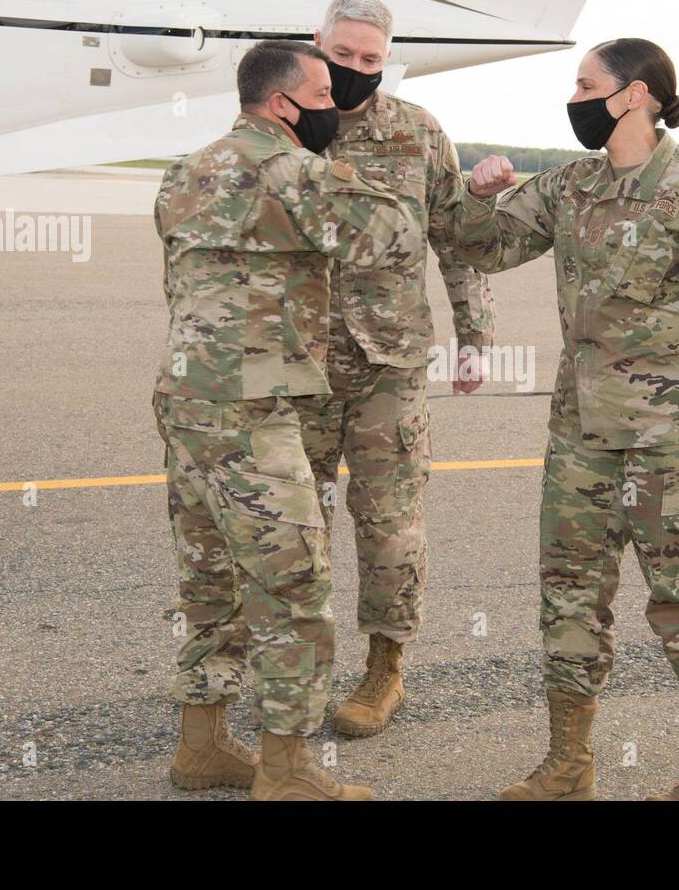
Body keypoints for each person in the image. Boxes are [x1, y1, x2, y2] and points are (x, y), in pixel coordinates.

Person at [452, 38, 679, 800]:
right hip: (581, 434)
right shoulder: (570, 186)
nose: (575, 97)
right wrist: (478, 192)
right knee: (567, 592)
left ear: (634, 95)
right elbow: (482, 247)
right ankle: (569, 762)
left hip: (673, 441)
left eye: (585, 83)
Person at [154, 39, 421, 800]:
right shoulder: (295, 173)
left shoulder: (184, 171)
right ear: (282, 105)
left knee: (212, 585)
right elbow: (395, 235)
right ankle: (288, 771)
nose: (335, 111)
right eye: (324, 98)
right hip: (253, 412)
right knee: (295, 591)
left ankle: (200, 746)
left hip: (186, 405)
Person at [301, 0, 496, 738]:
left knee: (390, 528)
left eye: (370, 60)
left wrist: (476, 336)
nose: (355, 70)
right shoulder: (286, 124)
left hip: (390, 366)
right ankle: (299, 667)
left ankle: (385, 671)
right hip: (299, 366)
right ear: (316, 44)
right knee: (292, 524)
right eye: (342, 56)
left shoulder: (417, 131)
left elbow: (458, 238)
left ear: (387, 59)